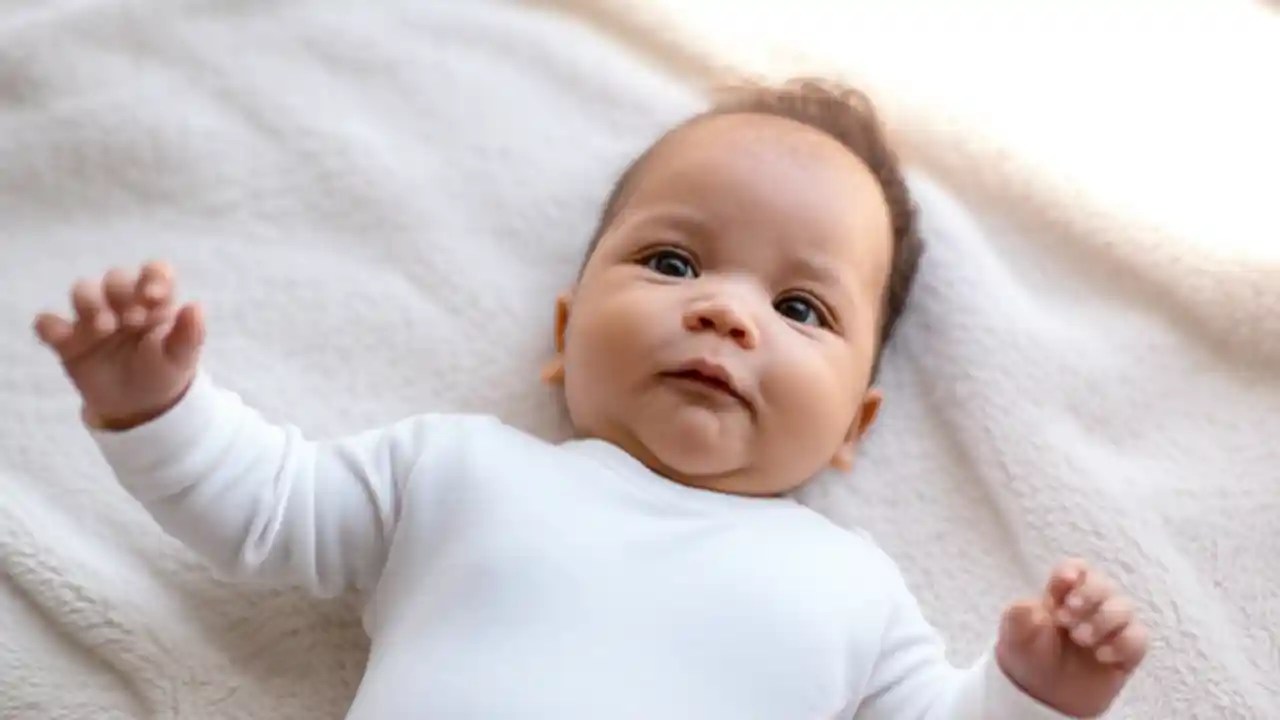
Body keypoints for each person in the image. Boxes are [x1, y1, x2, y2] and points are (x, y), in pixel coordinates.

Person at [34, 80, 1147, 718]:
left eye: (801, 309)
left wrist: (1035, 693)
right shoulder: (455, 471)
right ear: (564, 338)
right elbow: (268, 508)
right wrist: (157, 404)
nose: (726, 313)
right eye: (672, 263)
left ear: (853, 425)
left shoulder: (852, 589)